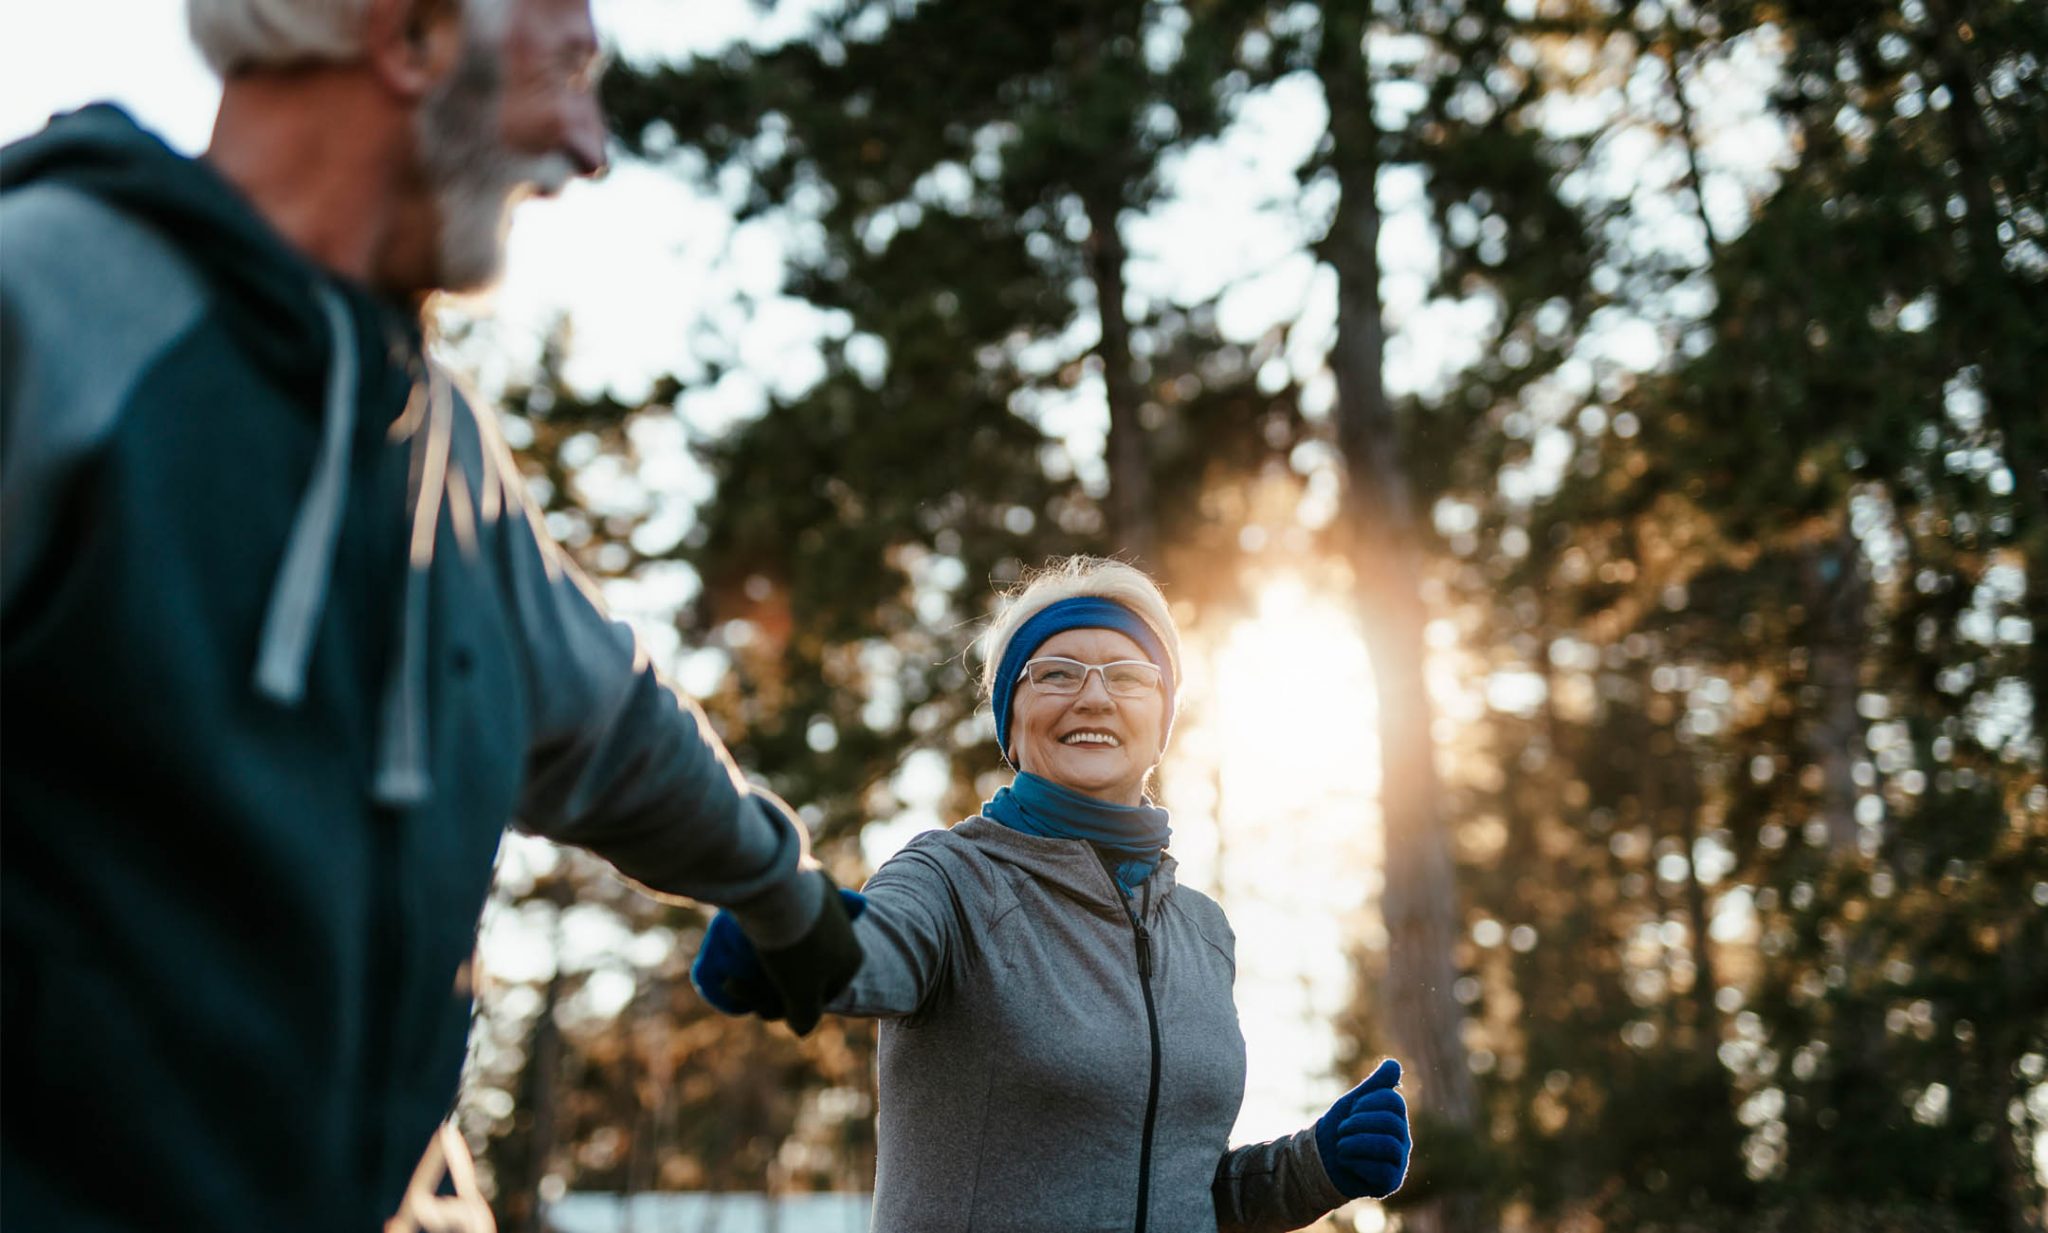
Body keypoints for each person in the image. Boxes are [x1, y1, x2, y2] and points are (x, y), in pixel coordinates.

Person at [0, 0, 863, 1228]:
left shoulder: (438, 444)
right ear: (406, 36)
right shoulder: (49, 302)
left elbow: (613, 730)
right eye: (565, 69)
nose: (588, 148)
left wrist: (785, 895)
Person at [691, 556, 1412, 1232]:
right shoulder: (952, 878)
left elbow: (1176, 1195)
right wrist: (801, 942)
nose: (1093, 694)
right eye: (1056, 672)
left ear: (1161, 718)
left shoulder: (1202, 928)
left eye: (1127, 674)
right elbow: (879, 945)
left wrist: (1317, 1163)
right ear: (1012, 717)